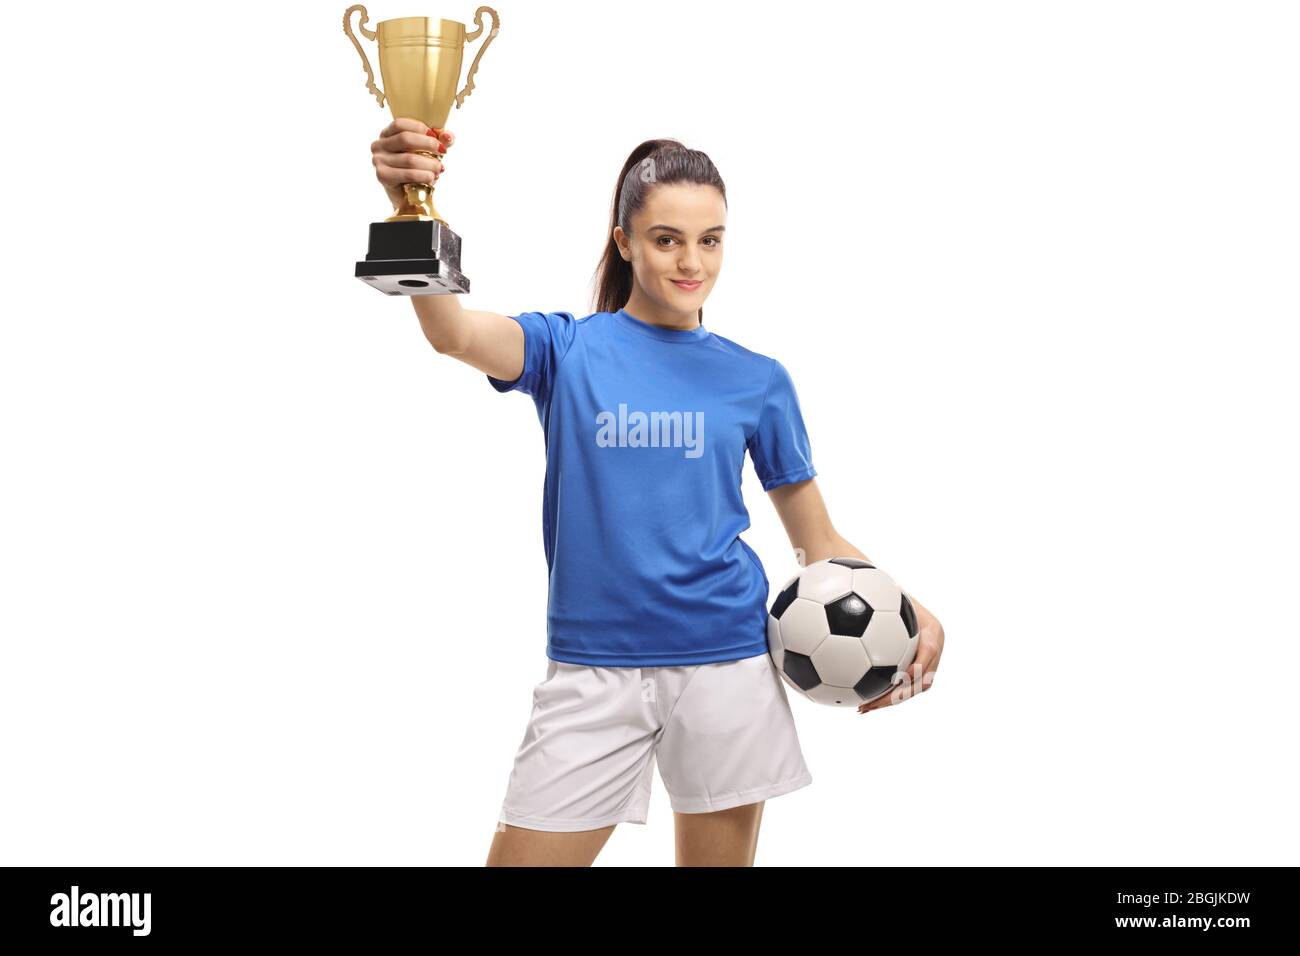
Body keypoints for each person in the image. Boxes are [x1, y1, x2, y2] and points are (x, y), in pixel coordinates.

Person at [369, 119, 947, 866]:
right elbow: (448, 332)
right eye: (667, 238)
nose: (691, 261)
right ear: (624, 242)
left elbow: (815, 540)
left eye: (711, 240)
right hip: (593, 670)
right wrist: (409, 204)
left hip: (728, 666)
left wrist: (909, 605)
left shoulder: (758, 380)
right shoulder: (566, 350)